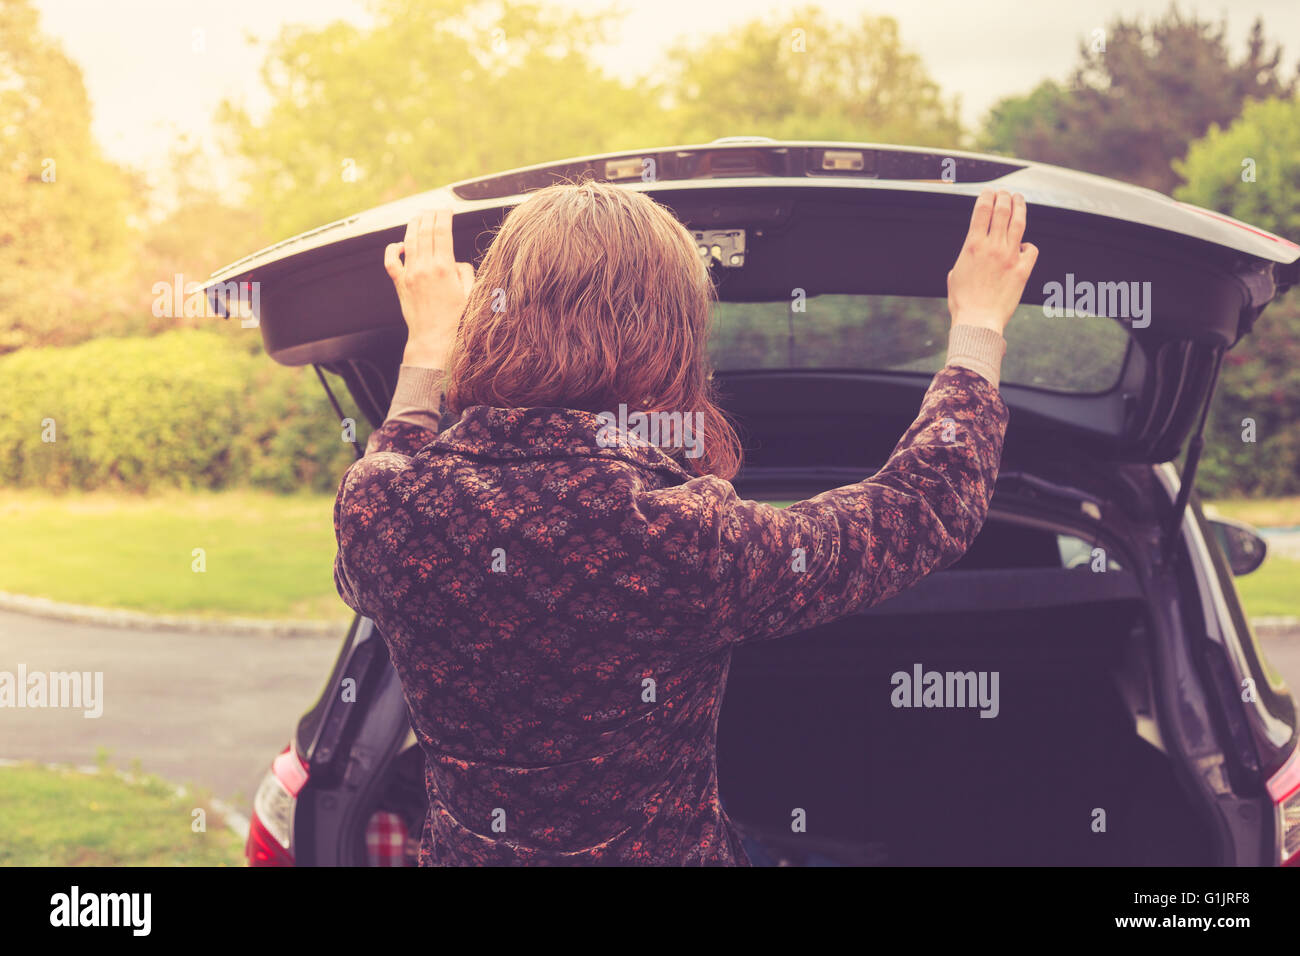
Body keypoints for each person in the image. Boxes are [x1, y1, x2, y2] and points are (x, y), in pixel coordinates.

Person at [333, 181, 1038, 865]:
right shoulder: (679, 538)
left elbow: (394, 456)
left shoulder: (386, 514)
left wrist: (427, 343)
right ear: (668, 338)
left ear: (489, 318)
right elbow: (925, 507)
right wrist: (978, 326)